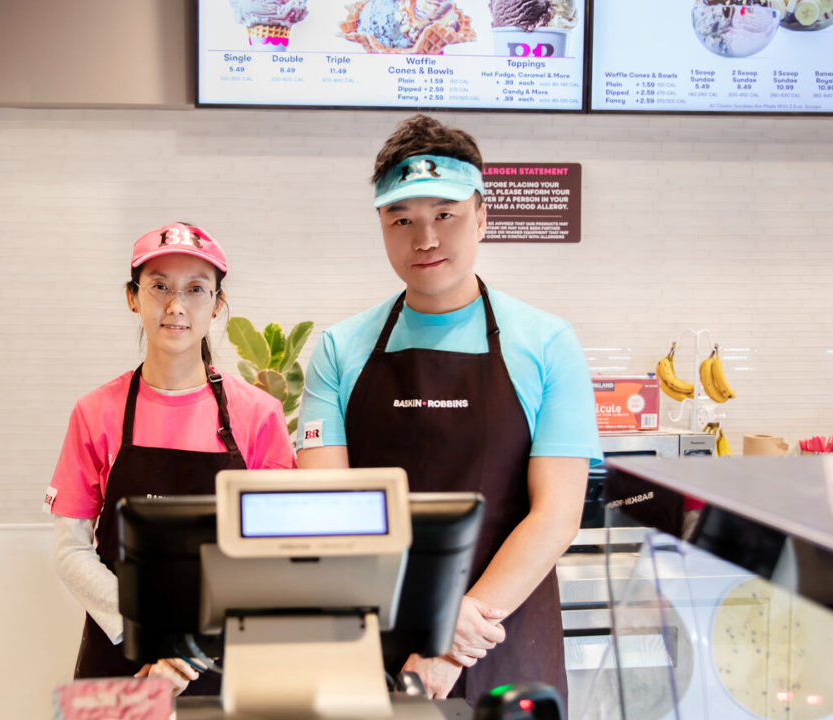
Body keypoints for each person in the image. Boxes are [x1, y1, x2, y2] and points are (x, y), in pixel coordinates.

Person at [296, 116, 601, 703]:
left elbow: (557, 515)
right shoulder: (341, 349)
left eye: (445, 214)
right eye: (402, 219)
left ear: (482, 217)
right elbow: (327, 509)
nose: (425, 238)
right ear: (381, 226)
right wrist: (429, 619)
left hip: (502, 637)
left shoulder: (546, 342)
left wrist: (452, 643)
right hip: (376, 637)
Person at [46, 222, 296, 695]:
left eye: (196, 289)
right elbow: (70, 550)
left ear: (218, 304)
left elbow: (277, 552)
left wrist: (191, 644)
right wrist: (153, 631)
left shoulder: (259, 414)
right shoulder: (95, 412)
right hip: (118, 650)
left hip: (222, 656)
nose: (176, 306)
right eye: (159, 286)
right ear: (133, 297)